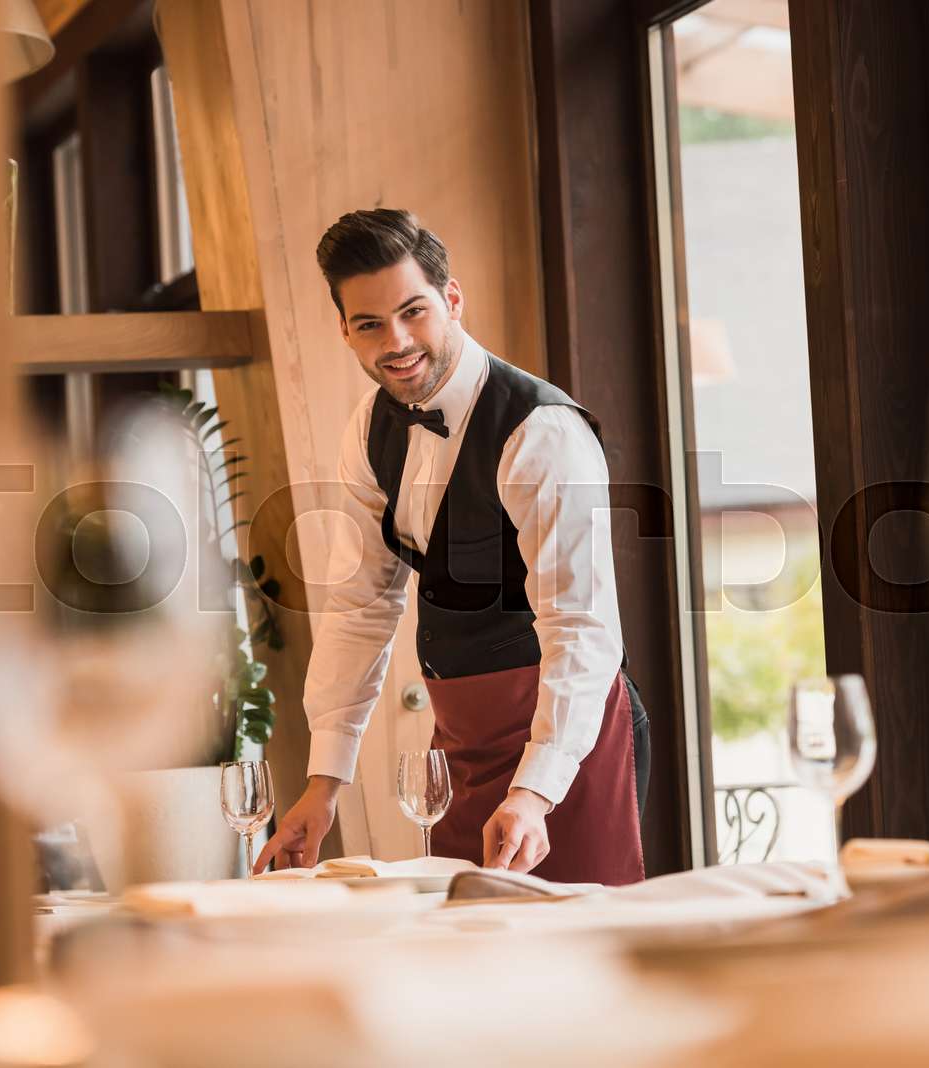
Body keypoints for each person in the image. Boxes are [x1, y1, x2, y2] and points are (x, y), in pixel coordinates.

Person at [252, 209, 649, 884]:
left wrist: (535, 789)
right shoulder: (367, 429)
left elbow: (582, 627)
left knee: (574, 963)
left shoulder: (541, 432)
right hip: (461, 743)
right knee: (465, 961)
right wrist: (325, 781)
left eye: (415, 311)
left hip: (564, 735)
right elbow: (360, 606)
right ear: (344, 331)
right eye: (371, 323)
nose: (398, 341)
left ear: (453, 300)